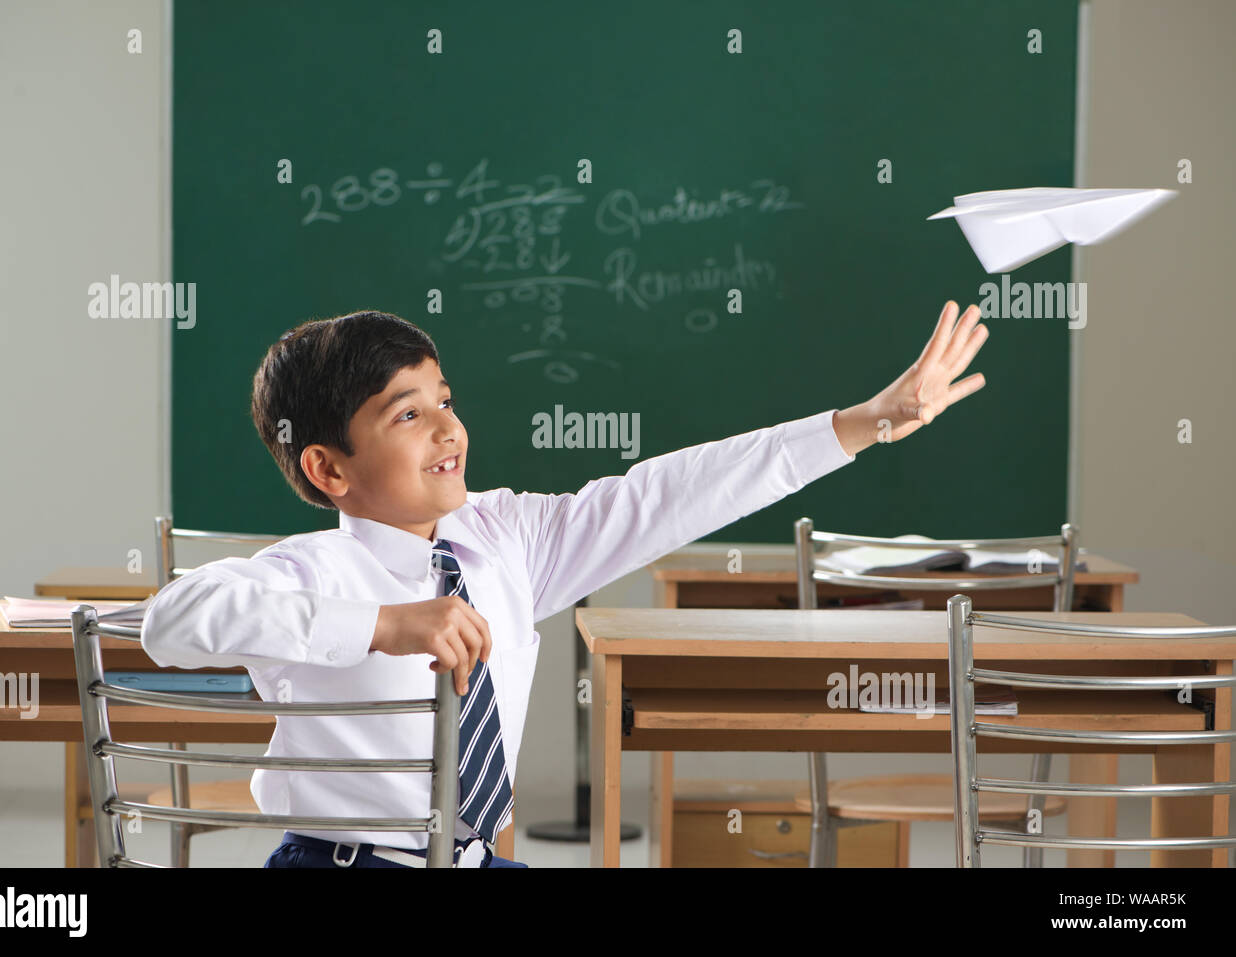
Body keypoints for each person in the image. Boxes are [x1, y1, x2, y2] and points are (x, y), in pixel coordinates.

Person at [141, 302, 988, 867]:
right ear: (327, 466)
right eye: (407, 413)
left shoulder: (504, 537)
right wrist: (383, 624)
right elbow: (173, 621)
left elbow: (668, 493)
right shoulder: (314, 571)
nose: (448, 427)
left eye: (445, 399)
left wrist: (862, 425)